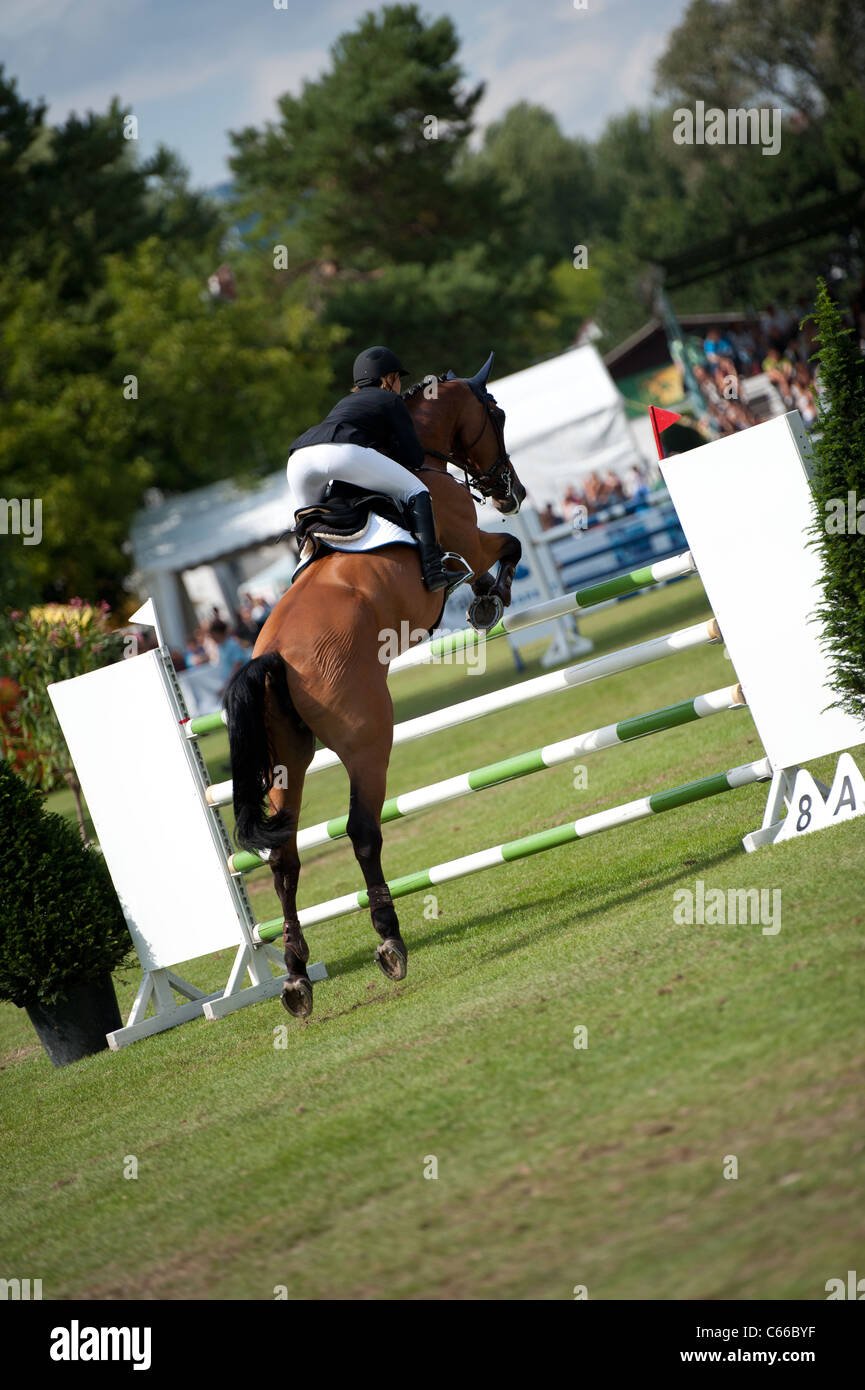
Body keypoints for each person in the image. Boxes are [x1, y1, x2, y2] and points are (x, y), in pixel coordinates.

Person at [285, 345, 450, 591]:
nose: (399, 386)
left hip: (299, 458)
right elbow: (414, 458)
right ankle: (434, 571)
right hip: (339, 452)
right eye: (397, 379)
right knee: (417, 491)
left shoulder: (345, 403)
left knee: (309, 522)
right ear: (389, 378)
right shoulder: (391, 399)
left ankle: (305, 583)